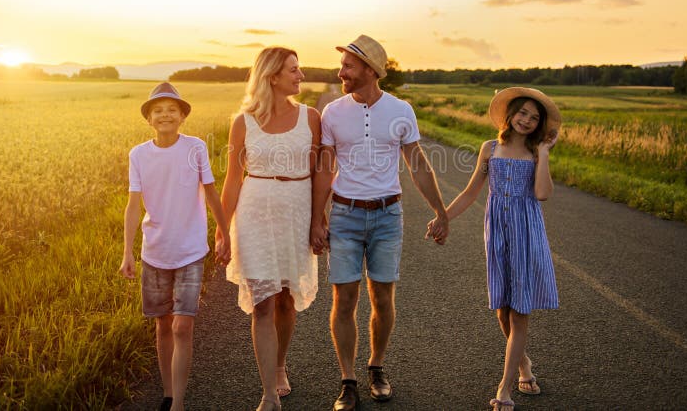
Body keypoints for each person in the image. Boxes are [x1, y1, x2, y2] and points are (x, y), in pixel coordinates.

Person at [310, 34, 449, 411]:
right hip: (345, 214)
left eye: (348, 66)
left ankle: (376, 367)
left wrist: (441, 211)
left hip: (388, 215)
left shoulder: (401, 110)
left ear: (370, 70)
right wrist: (316, 217)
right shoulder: (333, 113)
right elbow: (324, 167)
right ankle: (347, 380)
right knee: (344, 298)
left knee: (383, 298)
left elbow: (417, 163)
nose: (341, 73)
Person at [429, 87, 560, 411]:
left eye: (534, 117)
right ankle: (524, 363)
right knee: (502, 308)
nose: (527, 120)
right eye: (523, 112)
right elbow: (472, 192)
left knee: (519, 311)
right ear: (510, 113)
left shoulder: (534, 154)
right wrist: (442, 217)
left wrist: (544, 153)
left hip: (526, 233)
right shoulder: (489, 148)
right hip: (496, 233)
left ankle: (505, 389)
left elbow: (542, 194)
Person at [219, 47, 321, 411]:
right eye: (294, 70)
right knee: (262, 304)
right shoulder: (242, 122)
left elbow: (321, 173)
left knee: (285, 300)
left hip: (296, 210)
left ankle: (280, 364)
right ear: (272, 76)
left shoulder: (311, 117)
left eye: (299, 69)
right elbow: (232, 181)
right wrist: (220, 229)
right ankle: (267, 393)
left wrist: (318, 220)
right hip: (254, 212)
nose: (300, 76)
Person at [120, 82, 231, 411]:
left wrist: (225, 233)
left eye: (172, 109)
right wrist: (128, 251)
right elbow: (132, 206)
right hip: (154, 252)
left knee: (183, 325)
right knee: (163, 324)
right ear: (149, 119)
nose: (165, 115)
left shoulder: (195, 148)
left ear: (182, 116)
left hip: (190, 252)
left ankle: (178, 403)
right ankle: (168, 394)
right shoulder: (138, 155)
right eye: (158, 110)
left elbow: (211, 194)